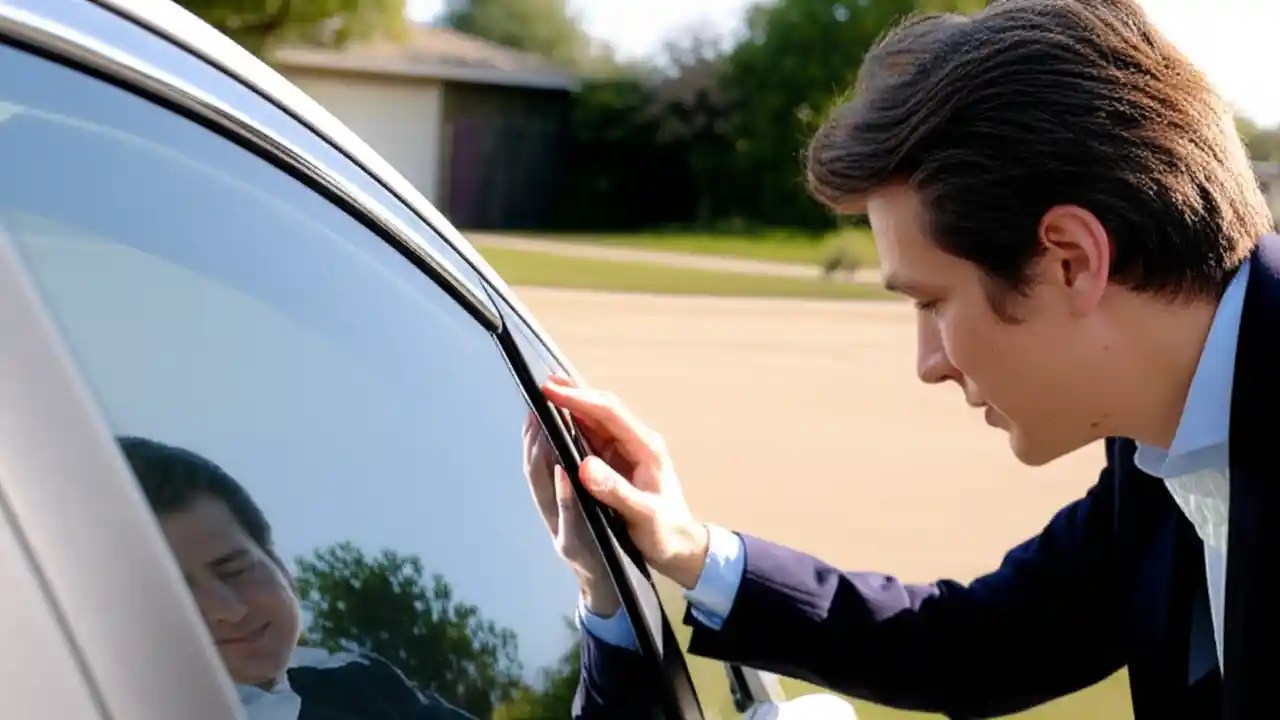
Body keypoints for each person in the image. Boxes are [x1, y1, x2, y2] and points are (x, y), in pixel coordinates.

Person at [540, 1, 1280, 718]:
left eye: (931, 302)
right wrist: (689, 549)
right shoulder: (1156, 441)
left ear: (1071, 261)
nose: (928, 364)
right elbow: (978, 648)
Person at [118, 436, 474, 720]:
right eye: (178, 596)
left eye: (236, 570)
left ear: (279, 565)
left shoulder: (362, 682)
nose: (228, 609)